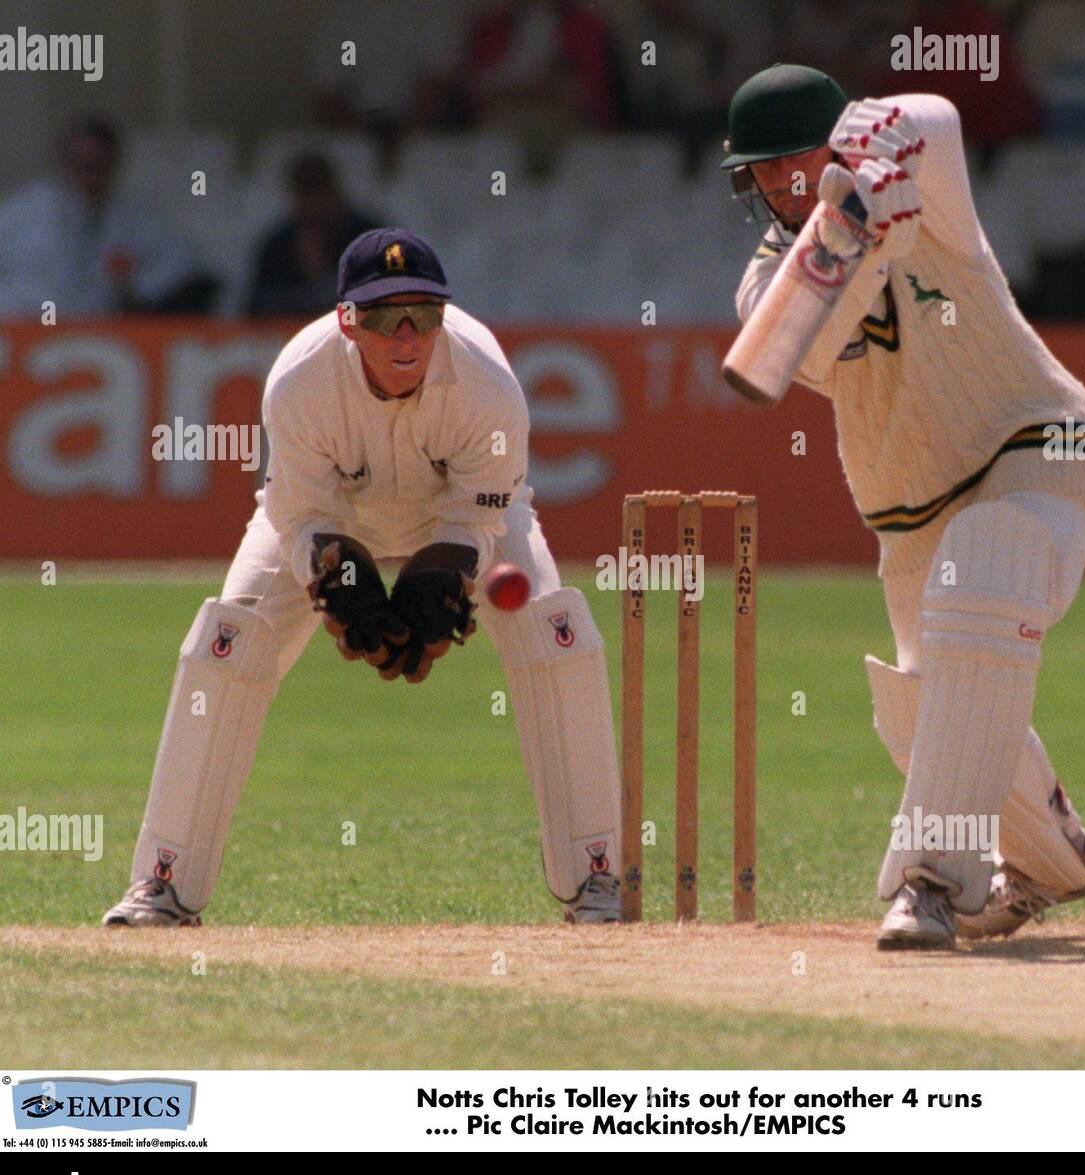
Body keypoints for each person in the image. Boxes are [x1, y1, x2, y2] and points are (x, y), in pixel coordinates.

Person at [102, 228, 621, 927]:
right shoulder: (300, 380)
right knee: (227, 643)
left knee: (555, 632)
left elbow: (478, 516)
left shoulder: (488, 384)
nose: (406, 337)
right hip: (330, 514)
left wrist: (442, 576)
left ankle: (598, 879)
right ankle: (161, 885)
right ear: (348, 320)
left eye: (424, 316)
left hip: (461, 519)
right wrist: (339, 582)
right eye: (382, 318)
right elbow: (302, 516)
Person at [723, 65, 1085, 949]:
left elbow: (935, 120)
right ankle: (1055, 857)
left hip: (1038, 442)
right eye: (766, 170)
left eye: (799, 161)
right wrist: (860, 234)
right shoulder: (766, 290)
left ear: (839, 141)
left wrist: (888, 168)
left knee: (990, 562)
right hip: (910, 518)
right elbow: (805, 353)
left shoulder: (927, 188)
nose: (784, 183)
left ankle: (930, 881)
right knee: (922, 716)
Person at [0, 115, 216, 317]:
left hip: (101, 332)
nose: (89, 173)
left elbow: (182, 264)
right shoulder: (25, 210)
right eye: (82, 163)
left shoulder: (134, 216)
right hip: (26, 326)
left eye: (97, 163)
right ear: (64, 160)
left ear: (113, 162)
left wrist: (136, 284)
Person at [247, 152, 379, 318]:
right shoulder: (278, 245)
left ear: (334, 190)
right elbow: (257, 308)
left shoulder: (368, 239)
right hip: (291, 337)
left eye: (319, 191)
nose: (314, 204)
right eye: (305, 193)